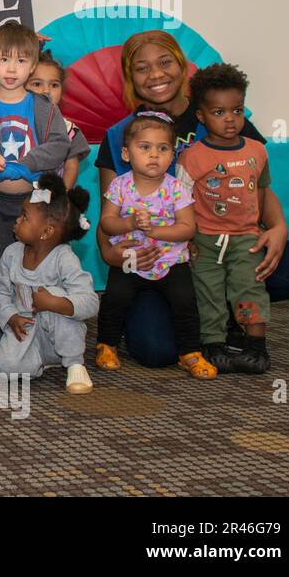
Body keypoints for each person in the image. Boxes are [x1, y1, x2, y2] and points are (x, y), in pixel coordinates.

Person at [94, 30, 289, 367]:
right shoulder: (120, 136)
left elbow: (258, 185)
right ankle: (202, 311)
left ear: (182, 65)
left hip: (226, 243)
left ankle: (230, 310)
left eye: (164, 62)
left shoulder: (220, 111)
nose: (155, 74)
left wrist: (277, 227)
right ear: (130, 79)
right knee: (155, 351)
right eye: (141, 69)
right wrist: (110, 254)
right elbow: (109, 212)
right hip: (161, 259)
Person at [0, 22, 71, 351]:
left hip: (33, 203)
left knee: (34, 261)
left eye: (21, 61)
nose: (11, 68)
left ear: (32, 66)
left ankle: (38, 318)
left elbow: (58, 145)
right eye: (4, 60)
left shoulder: (43, 108)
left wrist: (29, 163)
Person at [95, 112, 215, 378]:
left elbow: (187, 228)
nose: (154, 155)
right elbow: (107, 223)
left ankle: (190, 352)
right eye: (144, 147)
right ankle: (106, 344)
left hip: (171, 261)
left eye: (163, 149)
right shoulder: (120, 186)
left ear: (172, 155)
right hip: (130, 259)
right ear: (126, 154)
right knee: (115, 298)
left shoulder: (177, 189)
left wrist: (156, 230)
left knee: (185, 301)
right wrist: (131, 225)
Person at [179, 64, 274, 374]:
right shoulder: (192, 157)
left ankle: (256, 346)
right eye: (219, 112)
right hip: (205, 238)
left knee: (250, 288)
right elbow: (181, 200)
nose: (230, 118)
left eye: (237, 110)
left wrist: (260, 225)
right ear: (202, 116)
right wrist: (187, 236)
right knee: (209, 291)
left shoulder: (257, 151)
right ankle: (213, 344)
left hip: (246, 238)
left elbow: (260, 190)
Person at [0, 173, 97, 395]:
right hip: (28, 328)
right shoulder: (11, 254)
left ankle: (75, 364)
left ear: (46, 232)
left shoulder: (64, 258)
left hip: (60, 328)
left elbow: (90, 301)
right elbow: (0, 293)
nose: (17, 220)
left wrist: (56, 303)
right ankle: (40, 358)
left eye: (25, 216)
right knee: (6, 369)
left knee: (55, 296)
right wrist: (11, 316)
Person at [26, 50, 89, 189]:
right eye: (37, 84)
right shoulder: (14, 123)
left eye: (54, 85)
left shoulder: (69, 130)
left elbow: (71, 169)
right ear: (22, 87)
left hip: (53, 200)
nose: (46, 90)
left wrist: (62, 197)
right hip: (17, 198)